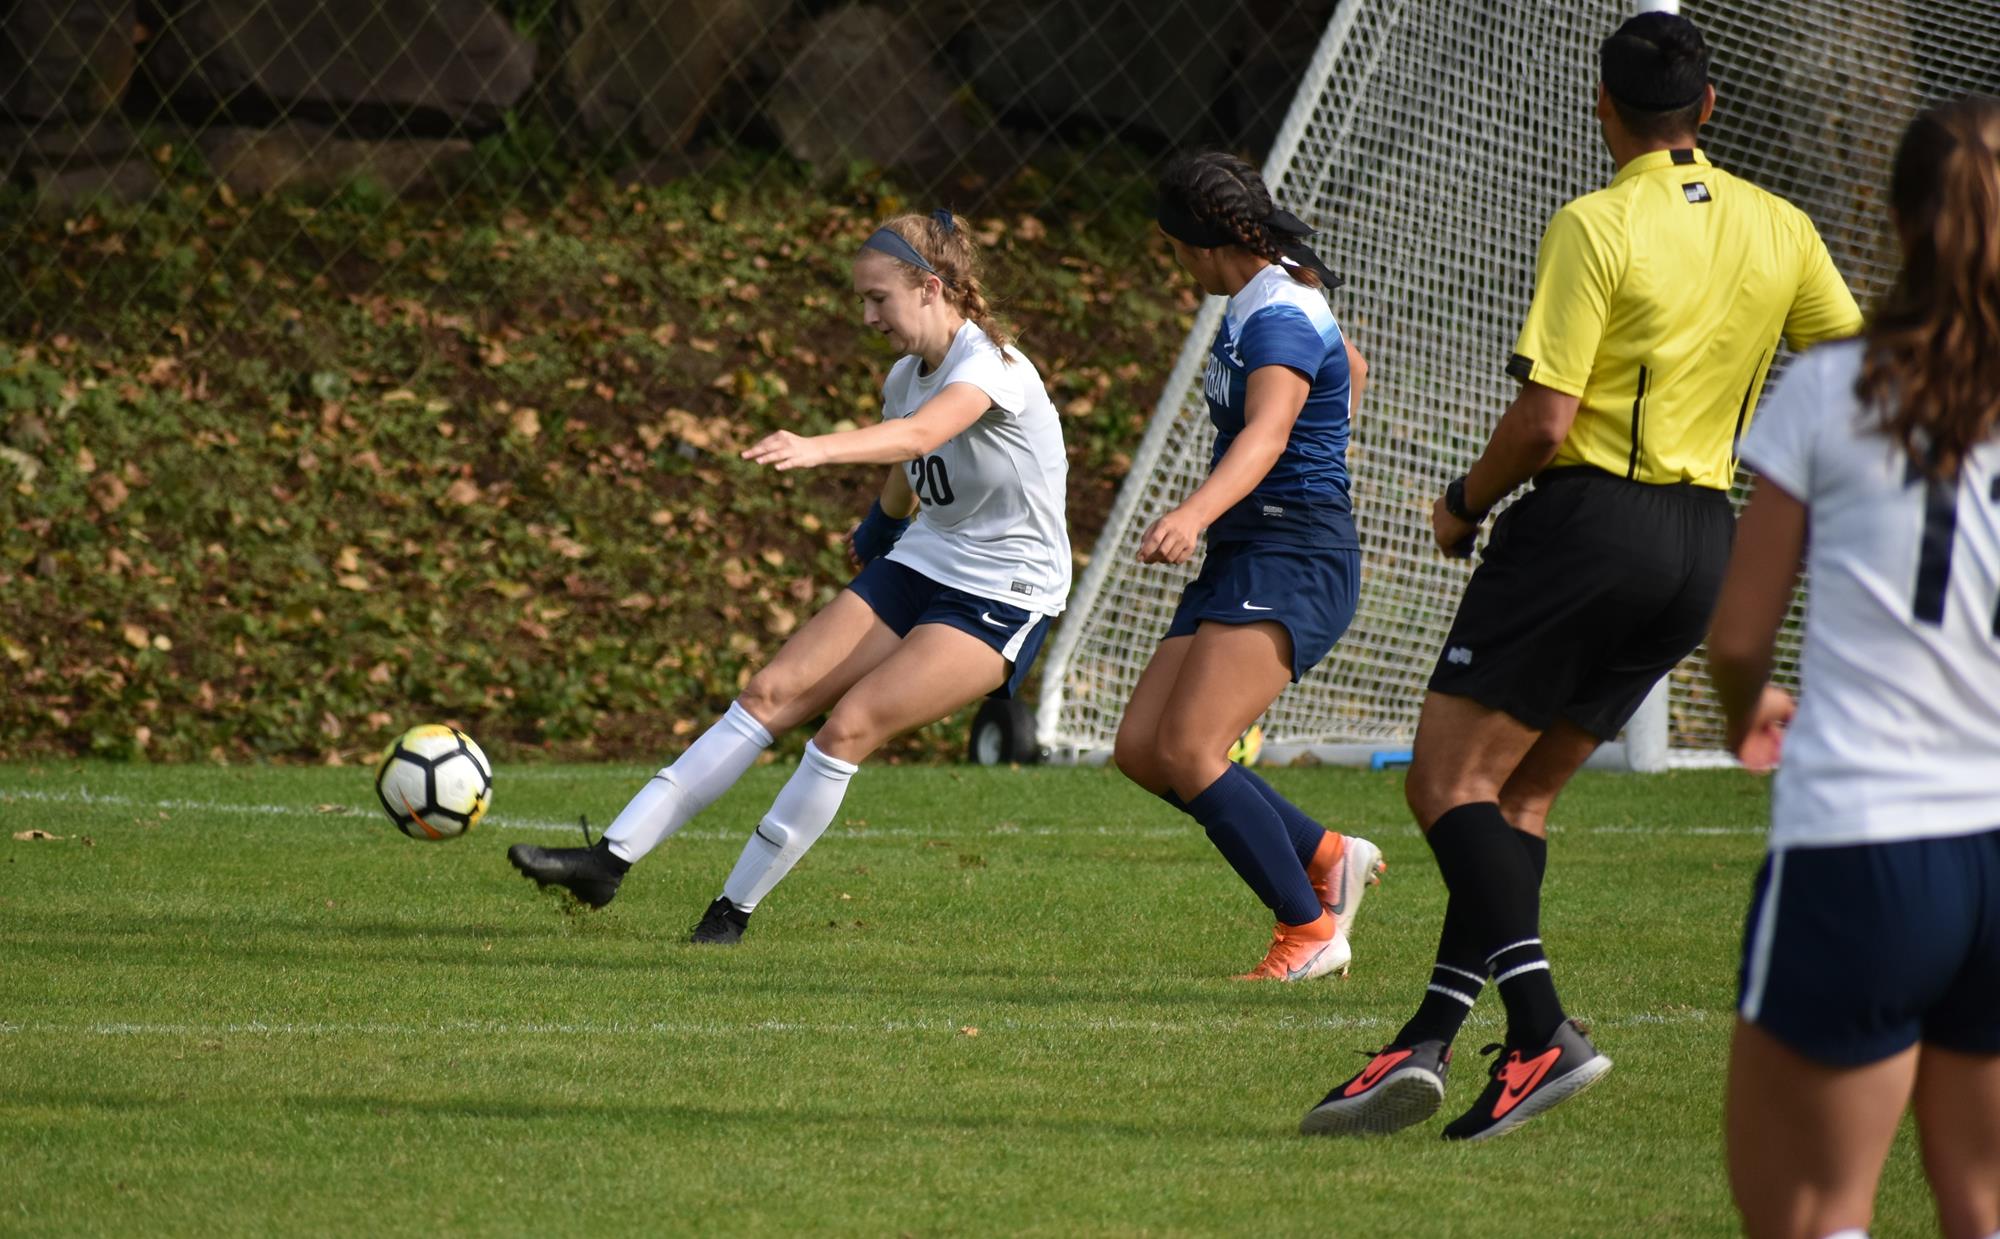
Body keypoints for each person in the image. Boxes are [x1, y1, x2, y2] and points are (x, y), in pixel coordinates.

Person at [1301, 10, 1863, 1140]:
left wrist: (1459, 506)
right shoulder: (1783, 227)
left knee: (1442, 787)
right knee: (1519, 803)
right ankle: (1430, 1039)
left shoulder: (1595, 222)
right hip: (1702, 536)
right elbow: (1853, 372)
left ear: (1598, 108)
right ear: (1708, 107)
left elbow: (1546, 420)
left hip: (1587, 526)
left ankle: (1543, 1028)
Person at [507, 210, 1072, 945]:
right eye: (862, 300)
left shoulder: (991, 366)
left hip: (1005, 592)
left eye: (879, 299)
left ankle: (729, 913)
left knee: (847, 727)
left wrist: (818, 449)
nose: (867, 316)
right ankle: (607, 859)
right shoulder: (906, 375)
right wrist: (880, 526)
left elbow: (924, 434)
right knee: (767, 694)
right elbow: (912, 464)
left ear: (931, 288)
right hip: (926, 560)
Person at [1707, 96, 2000, 1239]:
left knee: (1809, 1210)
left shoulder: (1832, 389)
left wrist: (1747, 713)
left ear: (1891, 223)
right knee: (1979, 1206)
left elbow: (1736, 635)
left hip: (1865, 840)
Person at [1111, 150, 1384, 982]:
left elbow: (1267, 433)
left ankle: (1309, 931)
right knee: (1144, 749)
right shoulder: (1268, 292)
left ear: (1194, 244)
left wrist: (1194, 512)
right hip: (1251, 547)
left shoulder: (1277, 315)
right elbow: (1354, 371)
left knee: (1193, 749)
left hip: (1293, 550)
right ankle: (1328, 853)